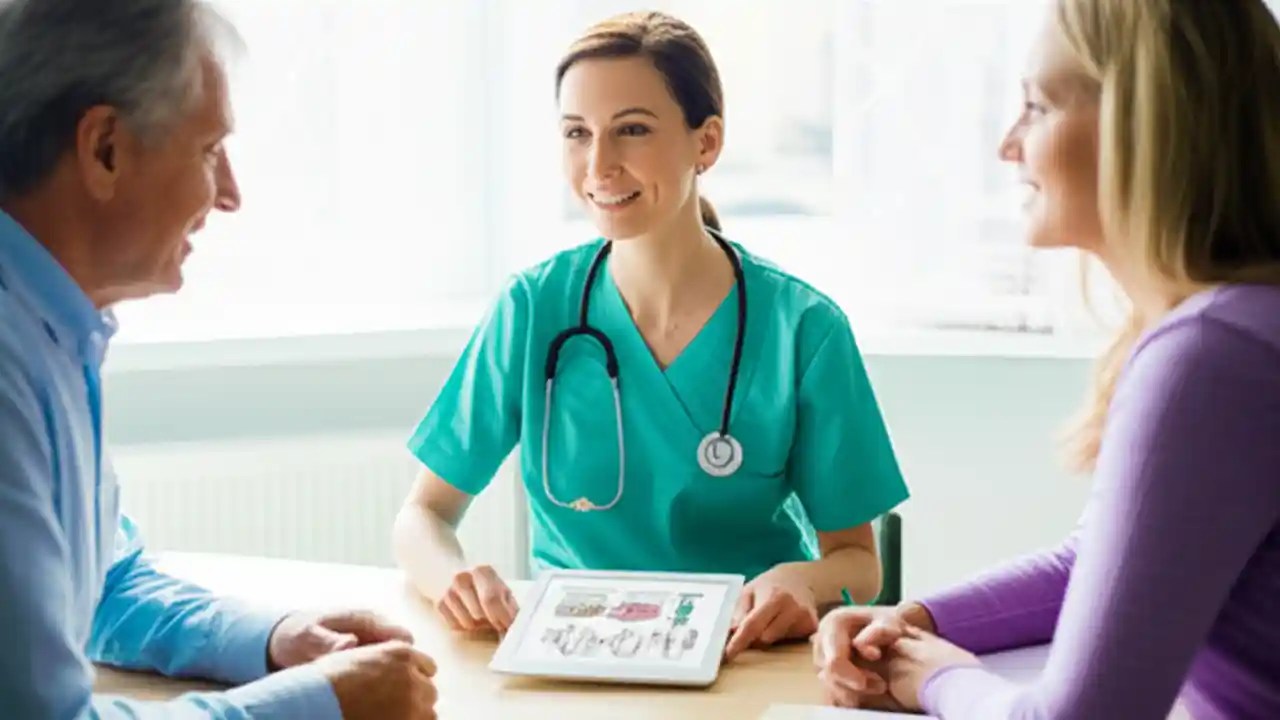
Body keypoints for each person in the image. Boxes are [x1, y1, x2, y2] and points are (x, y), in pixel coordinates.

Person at [812, 0, 1280, 717]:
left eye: (1036, 106)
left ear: (1141, 124)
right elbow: (1104, 564)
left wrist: (934, 678)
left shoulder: (1211, 358)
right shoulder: (1241, 330)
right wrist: (914, 621)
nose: (1009, 145)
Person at [393, 10, 909, 659]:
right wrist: (454, 578)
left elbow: (859, 562)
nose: (598, 164)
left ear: (706, 142)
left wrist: (801, 581)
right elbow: (422, 516)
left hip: (743, 655)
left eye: (632, 130)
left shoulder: (803, 329)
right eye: (577, 133)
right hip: (574, 655)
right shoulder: (533, 309)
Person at [0, 2, 438, 718]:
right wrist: (322, 705)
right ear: (105, 149)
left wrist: (277, 640)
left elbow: (103, 583)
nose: (229, 195)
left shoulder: (53, 329)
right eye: (209, 152)